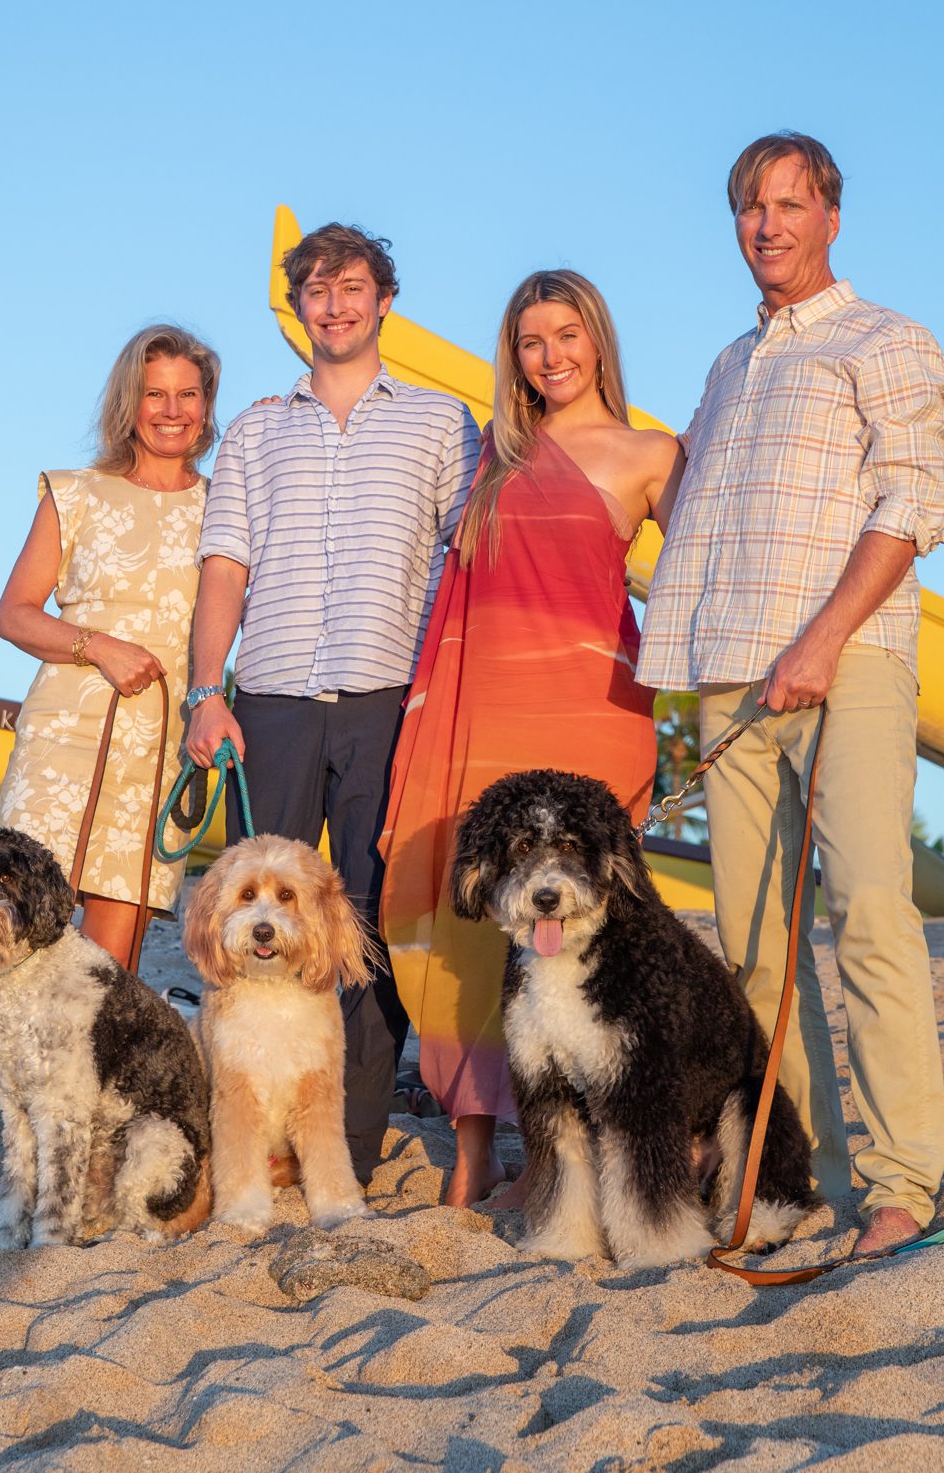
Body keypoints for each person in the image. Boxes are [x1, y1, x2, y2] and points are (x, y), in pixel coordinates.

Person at [638, 132, 944, 1257]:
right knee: (755, 946)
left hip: (848, 660)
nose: (766, 225)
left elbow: (913, 504)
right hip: (730, 671)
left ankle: (905, 1178)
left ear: (830, 216)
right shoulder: (729, 364)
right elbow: (689, 513)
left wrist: (822, 637)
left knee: (868, 911)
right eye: (747, 208)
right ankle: (815, 1172)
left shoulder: (887, 339)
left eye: (787, 203)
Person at [0, 323, 219, 1238]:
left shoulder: (226, 503)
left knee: (100, 975)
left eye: (188, 395)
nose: (171, 412)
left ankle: (85, 1179)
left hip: (159, 750)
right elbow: (14, 613)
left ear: (207, 405)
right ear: (129, 400)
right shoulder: (73, 493)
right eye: (155, 394)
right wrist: (97, 645)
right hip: (68, 732)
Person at [184, 223, 481, 1189]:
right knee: (255, 930)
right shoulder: (257, 430)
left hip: (385, 696)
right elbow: (224, 566)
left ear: (383, 298)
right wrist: (204, 691)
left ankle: (342, 1149)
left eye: (352, 285)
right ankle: (257, 1143)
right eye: (315, 289)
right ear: (296, 306)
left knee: (357, 925)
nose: (335, 303)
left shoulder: (443, 424)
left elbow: (458, 569)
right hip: (266, 698)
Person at [379, 271, 683, 1206]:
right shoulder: (489, 454)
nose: (550, 357)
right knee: (474, 927)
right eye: (529, 342)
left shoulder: (650, 452)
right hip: (484, 705)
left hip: (594, 708)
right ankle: (476, 1153)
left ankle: (581, 1154)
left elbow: (705, 569)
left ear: (597, 339)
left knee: (591, 931)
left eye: (566, 336)